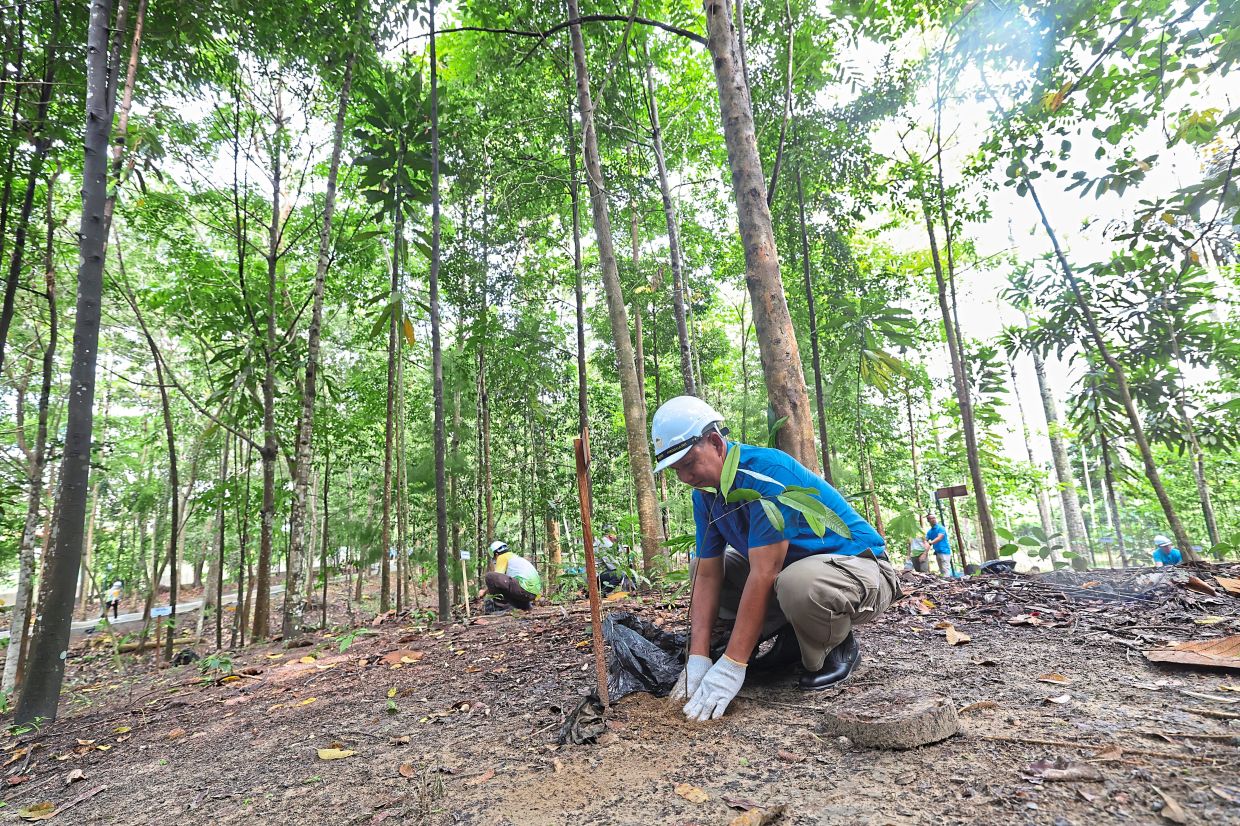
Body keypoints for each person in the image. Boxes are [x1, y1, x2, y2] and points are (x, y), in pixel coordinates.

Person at [652, 396, 901, 721]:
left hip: (862, 567)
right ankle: (793, 639)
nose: (685, 476)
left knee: (796, 584)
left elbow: (764, 573)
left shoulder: (766, 475)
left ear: (715, 442)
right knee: (700, 567)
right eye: (676, 470)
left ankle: (836, 645)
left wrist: (731, 666)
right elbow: (709, 575)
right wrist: (697, 659)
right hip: (789, 571)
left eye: (689, 463)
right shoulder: (707, 495)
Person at [483, 540, 542, 611]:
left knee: (490, 576)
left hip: (523, 589)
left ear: (496, 554)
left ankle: (501, 607)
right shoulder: (514, 557)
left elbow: (496, 579)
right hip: (532, 593)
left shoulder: (502, 557)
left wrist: (484, 592)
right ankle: (524, 606)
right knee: (507, 584)